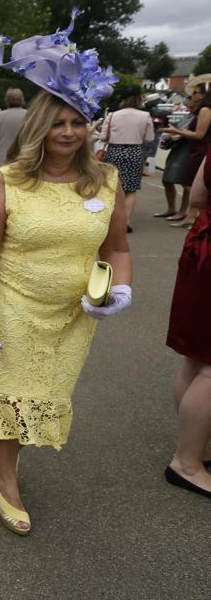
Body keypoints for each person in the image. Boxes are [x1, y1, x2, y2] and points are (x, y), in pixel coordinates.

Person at [0, 12, 131, 535]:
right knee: (13, 394)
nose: (67, 132)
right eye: (57, 123)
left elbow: (118, 247)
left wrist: (121, 288)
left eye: (76, 122)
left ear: (88, 126)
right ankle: (5, 477)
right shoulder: (10, 180)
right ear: (40, 128)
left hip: (73, 316)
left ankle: (11, 463)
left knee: (47, 395)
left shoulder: (108, 181)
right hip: (15, 303)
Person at [165, 156, 211, 498]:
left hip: (203, 243)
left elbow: (196, 196)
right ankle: (188, 461)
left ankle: (194, 448)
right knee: (208, 367)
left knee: (195, 357)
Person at [160, 76, 211, 229]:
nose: (193, 95)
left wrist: (177, 131)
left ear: (203, 95)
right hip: (197, 149)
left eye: (196, 92)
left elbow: (199, 134)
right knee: (189, 183)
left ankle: (193, 217)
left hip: (200, 150)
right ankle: (190, 216)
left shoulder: (205, 110)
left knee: (191, 184)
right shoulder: (202, 110)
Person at [102, 86, 154, 232]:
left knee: (113, 187)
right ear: (138, 99)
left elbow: (103, 137)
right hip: (135, 152)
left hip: (115, 151)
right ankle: (125, 222)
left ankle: (111, 220)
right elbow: (149, 138)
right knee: (130, 190)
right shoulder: (145, 116)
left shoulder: (112, 115)